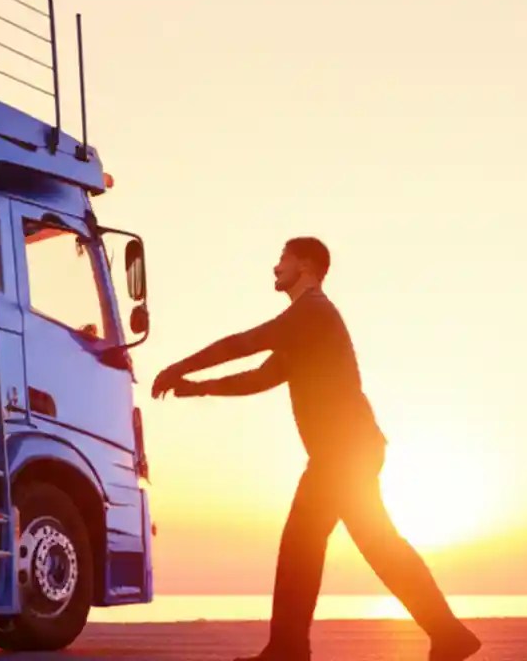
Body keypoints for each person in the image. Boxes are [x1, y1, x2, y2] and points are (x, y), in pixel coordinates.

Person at [152, 237, 482, 661]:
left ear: (305, 265)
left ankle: (290, 649)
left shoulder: (312, 312)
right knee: (369, 545)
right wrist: (198, 389)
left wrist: (179, 366)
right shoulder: (304, 324)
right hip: (345, 452)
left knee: (309, 546)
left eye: (282, 260)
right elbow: (259, 376)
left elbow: (244, 342)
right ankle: (448, 634)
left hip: (344, 453)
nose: (275, 268)